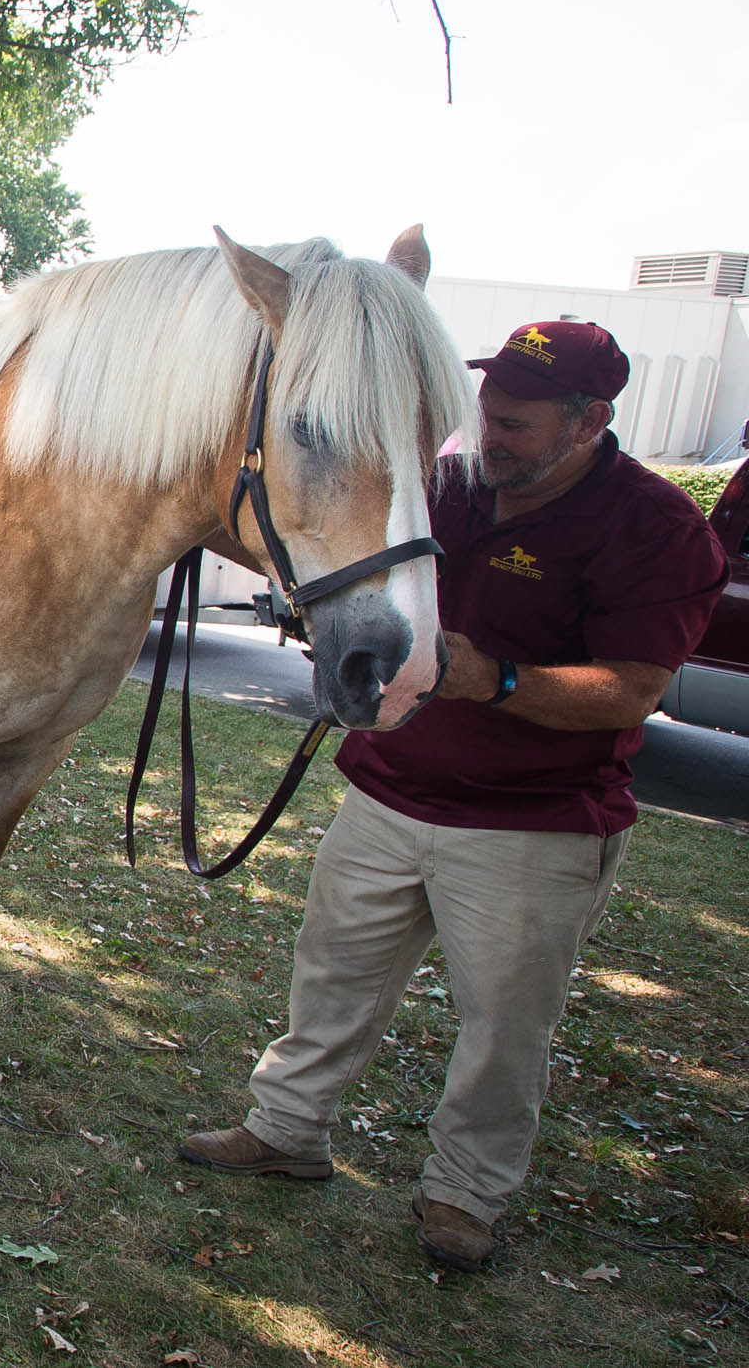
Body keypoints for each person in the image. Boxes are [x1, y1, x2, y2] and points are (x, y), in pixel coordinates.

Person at [180, 321, 729, 1273]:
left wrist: (495, 678)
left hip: (532, 825)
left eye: (514, 424)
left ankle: (466, 1193)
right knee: (332, 976)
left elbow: (632, 690)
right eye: (486, 413)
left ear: (589, 421)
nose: (489, 437)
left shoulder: (657, 529)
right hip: (390, 790)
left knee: (504, 1028)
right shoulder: (449, 486)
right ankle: (287, 1130)